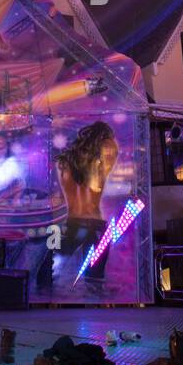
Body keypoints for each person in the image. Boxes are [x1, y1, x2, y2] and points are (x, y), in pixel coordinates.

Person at [56, 121, 120, 286]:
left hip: (72, 223)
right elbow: (110, 150)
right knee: (94, 281)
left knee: (53, 272)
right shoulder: (103, 160)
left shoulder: (64, 163)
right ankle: (94, 307)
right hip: (96, 223)